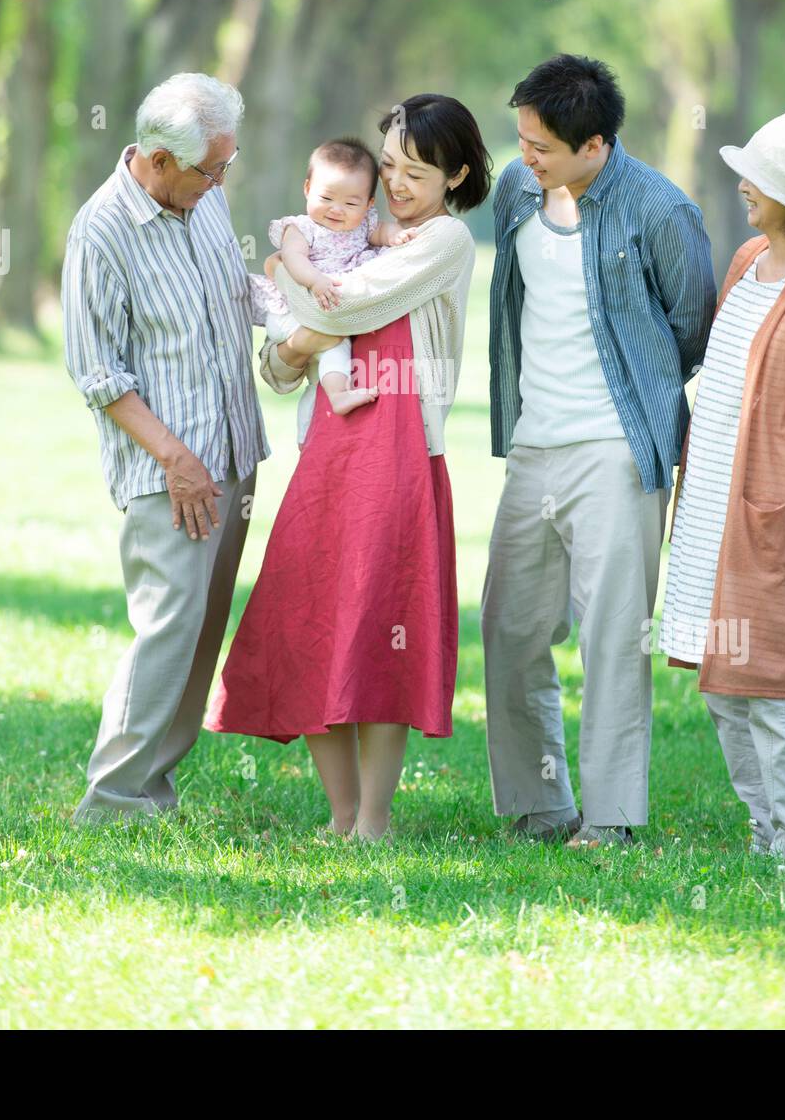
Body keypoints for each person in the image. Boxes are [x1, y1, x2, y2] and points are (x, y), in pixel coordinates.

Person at [205, 95, 490, 841]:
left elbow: (348, 305)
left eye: (416, 174)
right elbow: (279, 370)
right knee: (311, 622)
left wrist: (287, 292)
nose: (395, 185)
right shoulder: (354, 232)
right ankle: (340, 814)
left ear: (455, 175)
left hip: (398, 455)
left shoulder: (445, 241)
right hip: (329, 451)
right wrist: (293, 333)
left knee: (386, 626)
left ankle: (376, 817)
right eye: (389, 166)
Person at [481, 54, 716, 848]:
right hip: (532, 446)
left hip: (617, 451)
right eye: (522, 140)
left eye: (542, 146)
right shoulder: (517, 192)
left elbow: (691, 328)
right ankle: (539, 804)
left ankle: (611, 818)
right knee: (511, 632)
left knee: (613, 638)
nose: (526, 158)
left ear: (595, 146)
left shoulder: (660, 211)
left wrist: (639, 394)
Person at [62, 73, 268, 824]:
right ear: (155, 158)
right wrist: (178, 460)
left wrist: (287, 303)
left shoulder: (202, 199)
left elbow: (227, 292)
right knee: (168, 627)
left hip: (234, 458)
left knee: (202, 630)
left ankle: (153, 786)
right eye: (208, 170)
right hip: (169, 474)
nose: (219, 183)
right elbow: (97, 372)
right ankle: (112, 796)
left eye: (226, 168)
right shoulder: (101, 231)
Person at [659, 110, 785, 858]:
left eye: (762, 180)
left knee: (771, 683)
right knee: (719, 681)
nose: (745, 186)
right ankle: (764, 828)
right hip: (714, 496)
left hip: (773, 511)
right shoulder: (748, 259)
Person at [248, 136, 415, 419]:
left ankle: (336, 399)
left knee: (331, 361)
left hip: (329, 313)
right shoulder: (301, 228)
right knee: (335, 346)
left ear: (368, 204)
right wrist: (315, 281)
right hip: (291, 313)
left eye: (351, 203)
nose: (336, 210)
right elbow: (292, 258)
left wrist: (396, 236)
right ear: (307, 189)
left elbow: (382, 232)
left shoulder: (364, 226)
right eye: (326, 198)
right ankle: (330, 401)